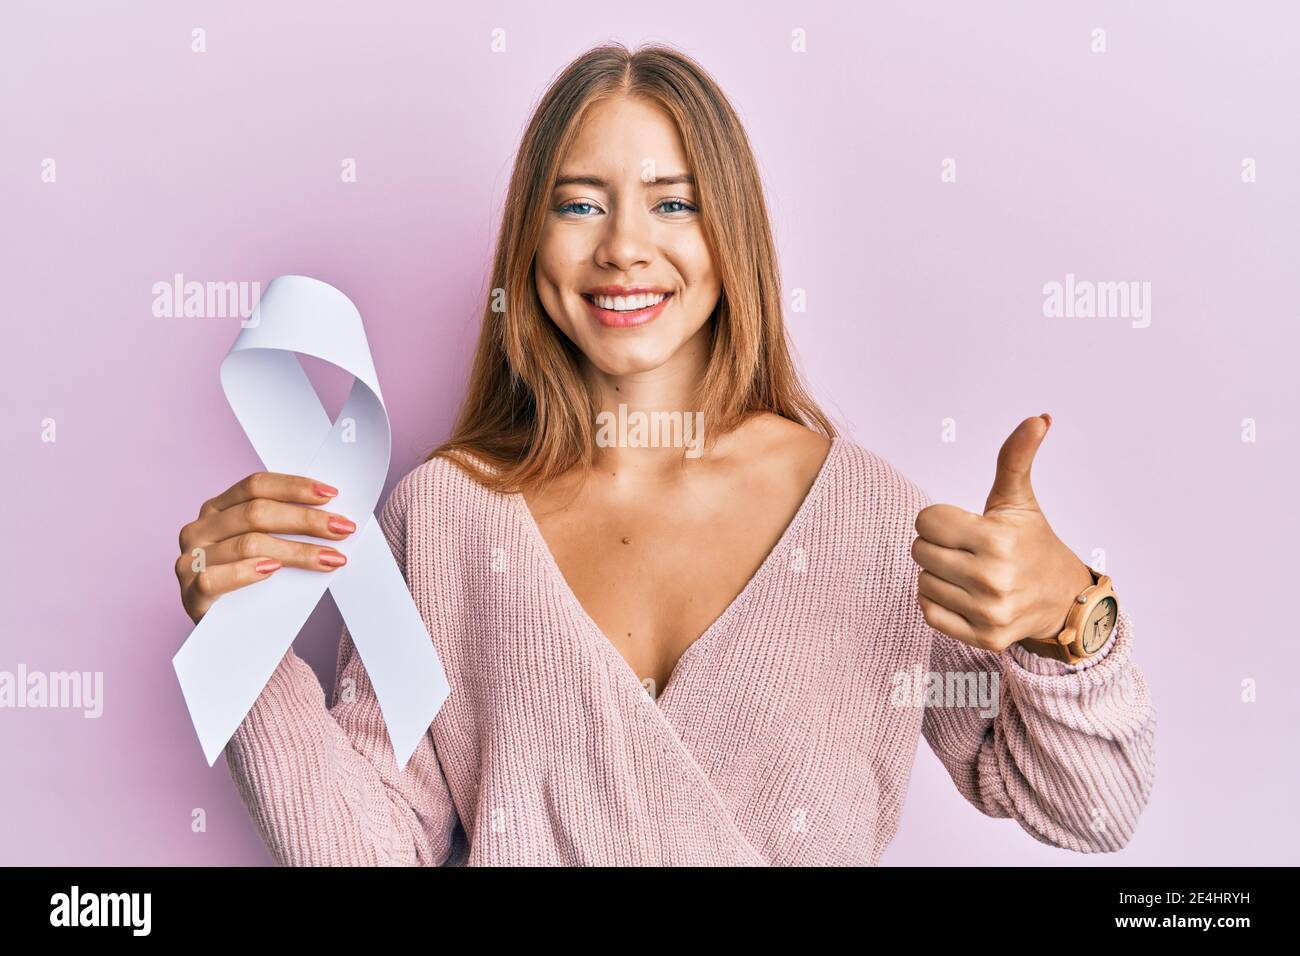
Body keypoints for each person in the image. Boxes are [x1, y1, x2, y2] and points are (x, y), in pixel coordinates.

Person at [174, 43, 1155, 866]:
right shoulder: (440, 519)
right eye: (578, 204)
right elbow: (368, 851)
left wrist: (1065, 616)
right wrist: (242, 640)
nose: (623, 250)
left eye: (673, 204)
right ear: (529, 245)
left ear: (733, 241)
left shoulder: (869, 522)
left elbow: (1093, 806)